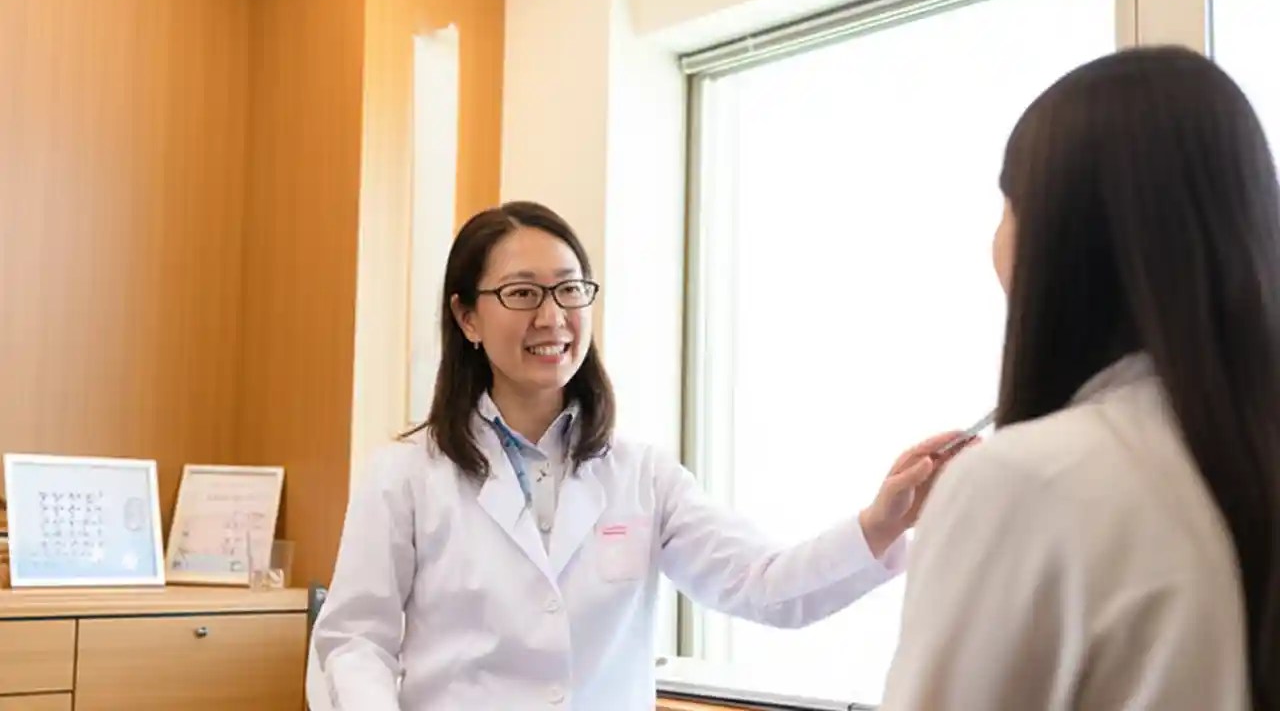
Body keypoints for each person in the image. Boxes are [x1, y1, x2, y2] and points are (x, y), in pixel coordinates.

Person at [309, 201, 967, 710]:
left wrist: (883, 521)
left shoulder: (642, 475)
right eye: (521, 292)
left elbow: (764, 586)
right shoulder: (404, 476)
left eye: (570, 289)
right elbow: (353, 640)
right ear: (468, 318)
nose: (552, 316)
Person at [880, 46, 1280, 710]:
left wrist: (972, 515)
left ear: (1063, 238)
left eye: (1008, 207)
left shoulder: (1025, 482)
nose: (996, 240)